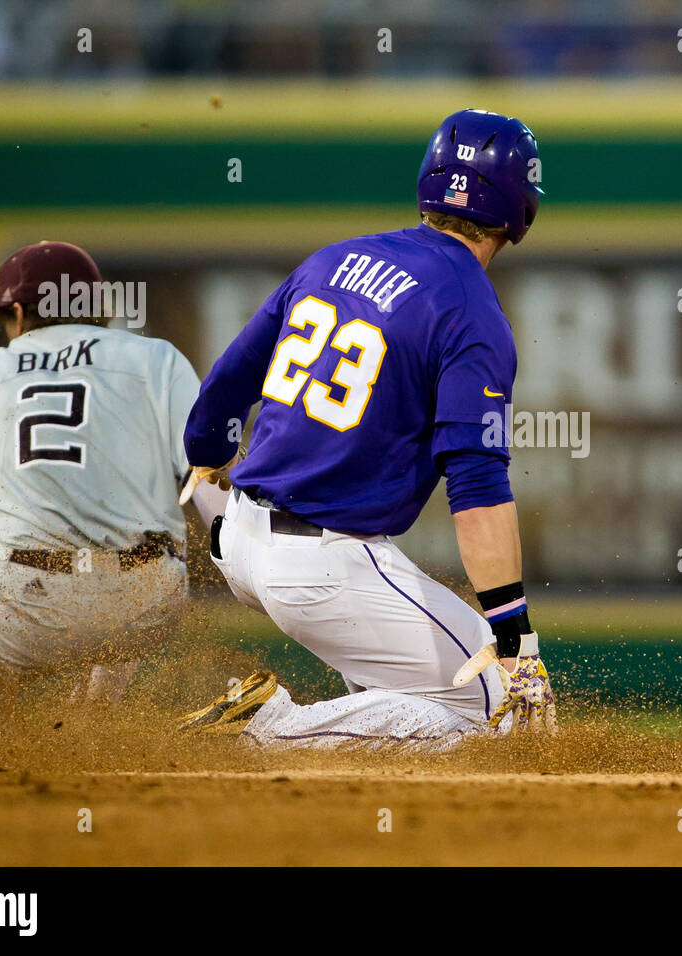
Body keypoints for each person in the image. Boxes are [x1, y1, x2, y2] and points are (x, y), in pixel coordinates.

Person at [178, 109, 555, 751]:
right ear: (517, 206)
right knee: (502, 715)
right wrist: (515, 638)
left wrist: (207, 455)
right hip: (320, 566)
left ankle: (350, 757)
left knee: (411, 691)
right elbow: (478, 485)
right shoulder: (470, 311)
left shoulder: (334, 259)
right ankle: (272, 730)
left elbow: (226, 384)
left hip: (237, 538)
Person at [0, 241, 222, 743]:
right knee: (125, 549)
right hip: (154, 600)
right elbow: (209, 468)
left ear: (18, 313)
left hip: (37, 603)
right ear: (99, 308)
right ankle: (87, 718)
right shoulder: (155, 360)